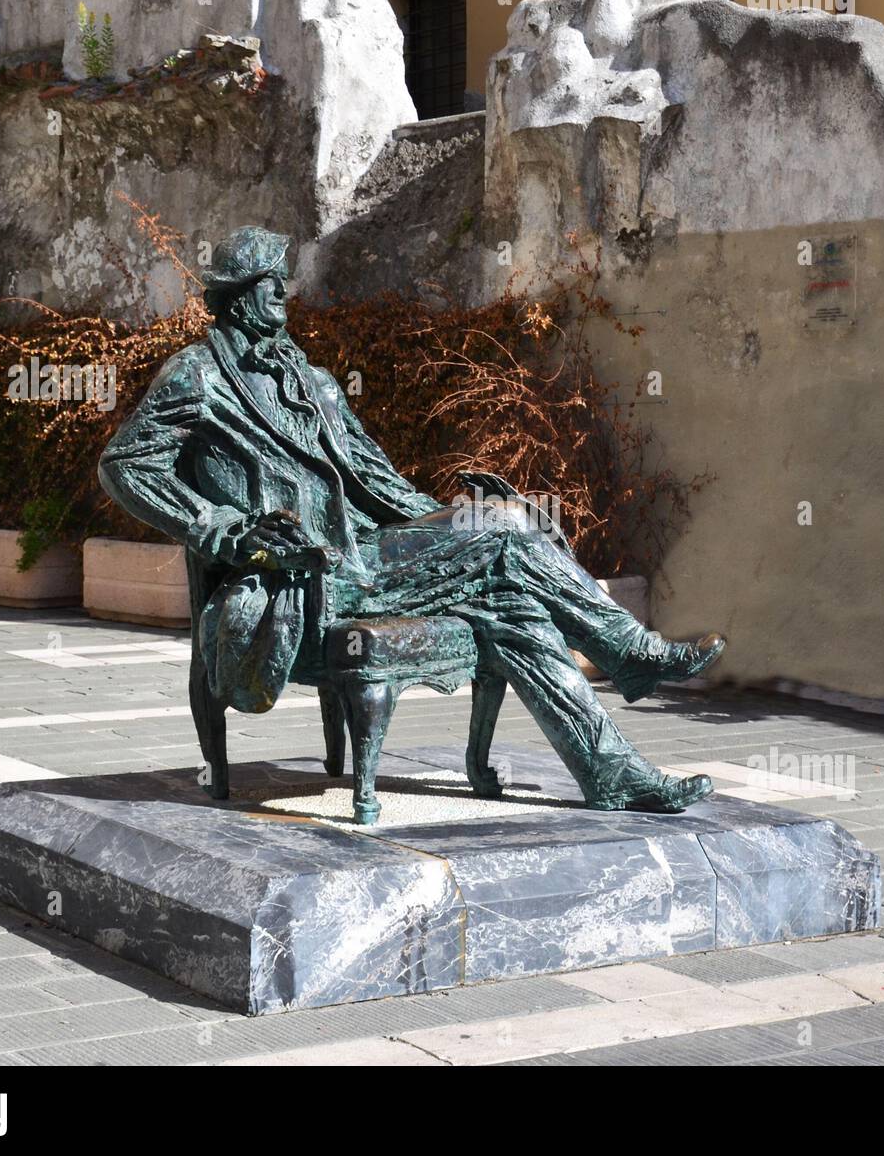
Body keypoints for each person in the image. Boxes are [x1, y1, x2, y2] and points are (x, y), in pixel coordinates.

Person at [99, 227, 726, 812]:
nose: (285, 292)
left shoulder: (315, 384)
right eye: (271, 281)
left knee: (515, 604)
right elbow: (125, 465)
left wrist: (454, 517)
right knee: (506, 528)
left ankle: (610, 771)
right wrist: (228, 530)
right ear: (238, 296)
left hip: (364, 556)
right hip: (302, 577)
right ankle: (631, 651)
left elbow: (379, 481)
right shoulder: (197, 376)